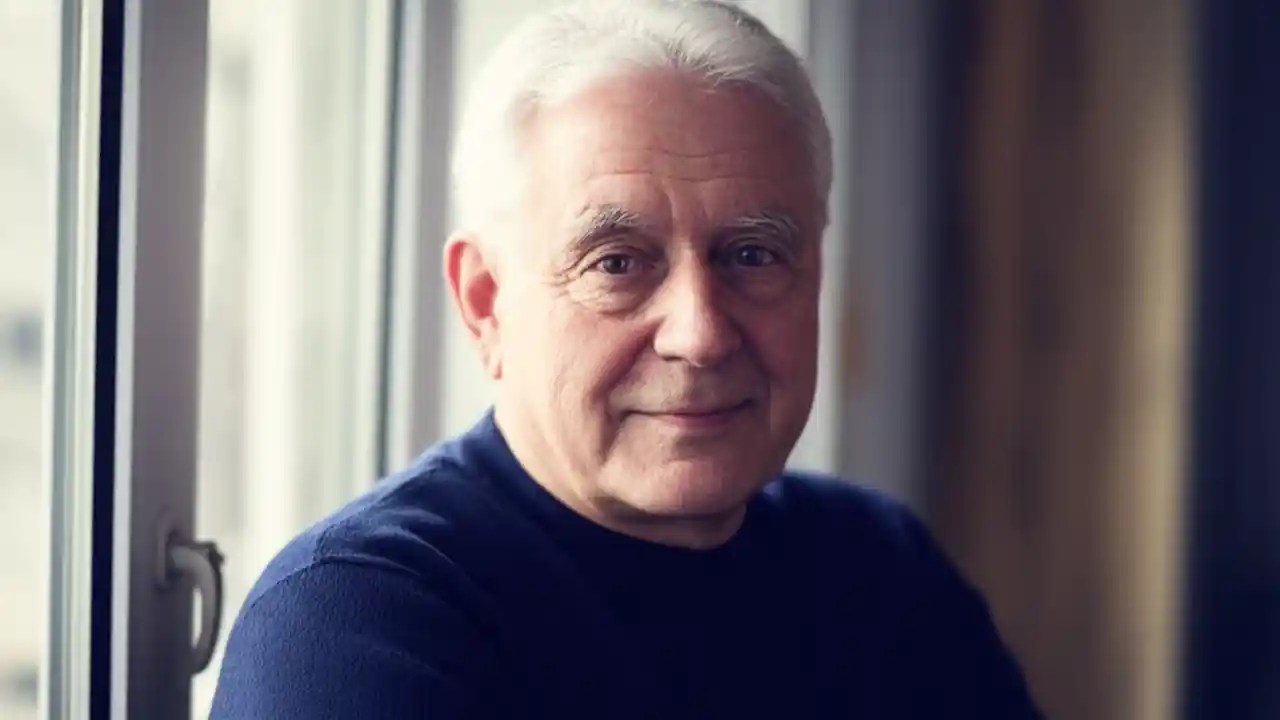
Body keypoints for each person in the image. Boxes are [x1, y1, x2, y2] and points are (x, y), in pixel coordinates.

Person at [211, 1, 1041, 717]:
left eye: (752, 254)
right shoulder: (358, 623)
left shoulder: (881, 572)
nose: (701, 332)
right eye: (616, 262)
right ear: (486, 302)